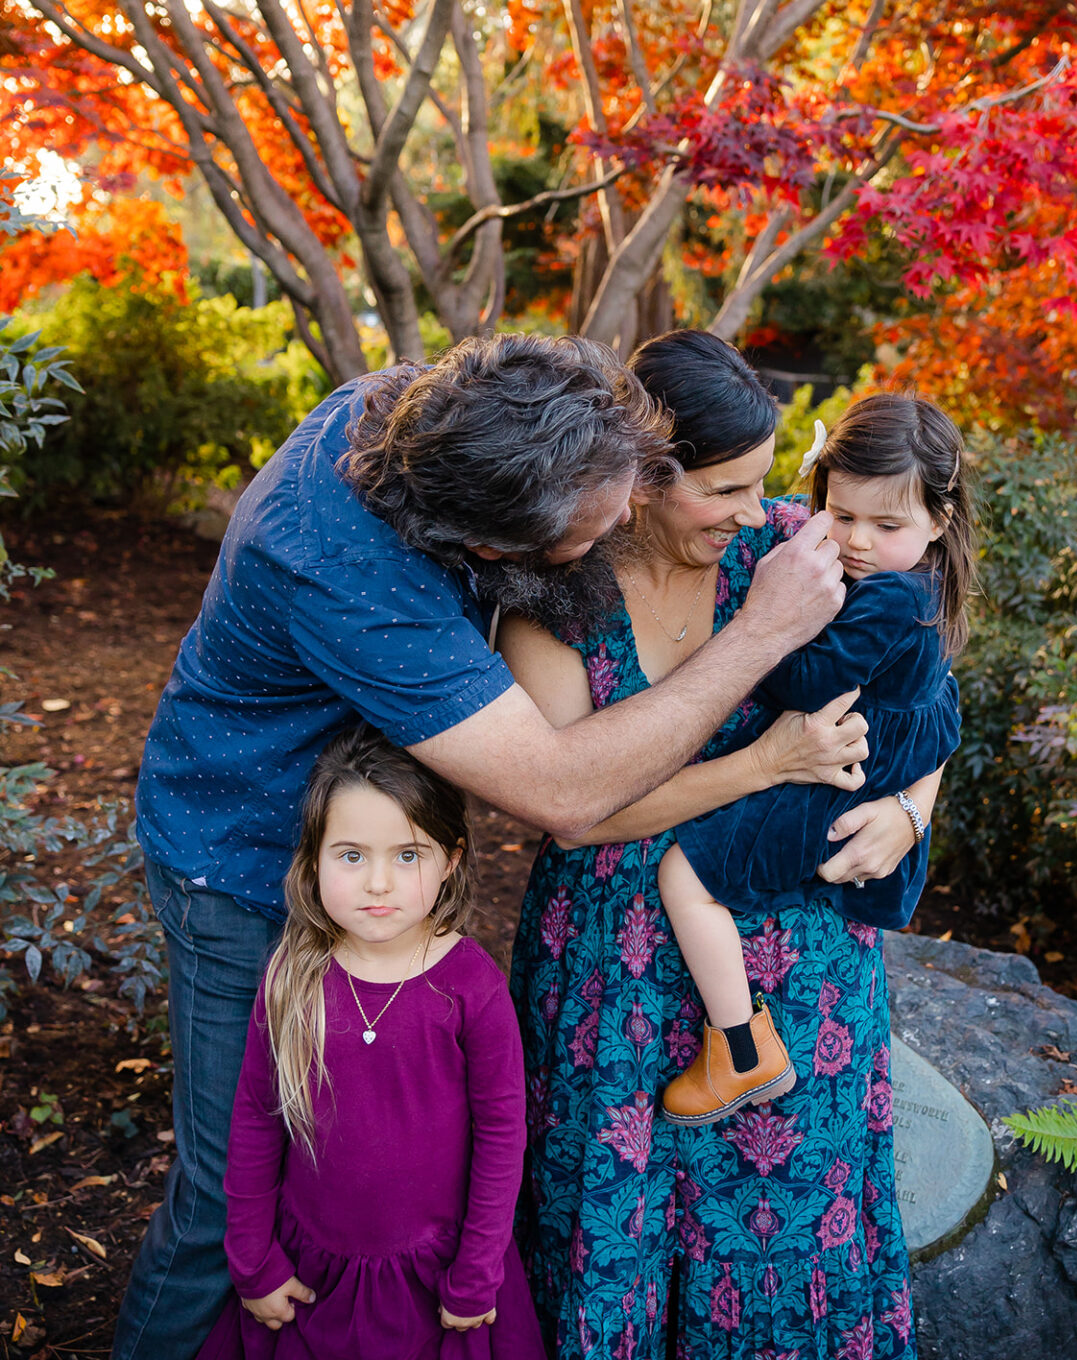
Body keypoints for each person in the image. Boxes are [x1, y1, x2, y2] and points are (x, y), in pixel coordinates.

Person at [115, 334, 848, 1360]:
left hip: (382, 858)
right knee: (223, 1196)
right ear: (494, 551)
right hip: (243, 862)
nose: (621, 524)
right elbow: (561, 793)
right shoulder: (351, 574)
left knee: (365, 1169)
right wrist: (760, 635)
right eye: (595, 529)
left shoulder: (429, 414)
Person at [501, 330, 941, 1360]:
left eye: (761, 486)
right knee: (613, 1243)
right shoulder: (552, 606)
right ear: (638, 480)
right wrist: (765, 763)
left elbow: (926, 686)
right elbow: (574, 809)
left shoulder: (789, 548)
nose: (759, 511)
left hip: (799, 983)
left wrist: (910, 809)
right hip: (611, 982)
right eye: (726, 489)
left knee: (793, 1250)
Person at [658, 393, 976, 1125]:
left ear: (939, 520)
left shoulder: (888, 600)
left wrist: (763, 632)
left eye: (886, 524)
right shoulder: (920, 583)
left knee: (685, 877)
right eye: (843, 513)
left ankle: (740, 1052)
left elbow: (804, 683)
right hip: (871, 767)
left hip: (842, 773)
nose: (857, 540)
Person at [196, 725, 545, 1360]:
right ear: (313, 858)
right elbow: (255, 1119)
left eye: (407, 855)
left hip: (437, 1279)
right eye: (351, 855)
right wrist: (253, 1260)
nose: (377, 883)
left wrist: (475, 1274)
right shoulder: (292, 977)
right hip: (311, 1277)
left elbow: (502, 1136)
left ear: (451, 861)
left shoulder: (471, 987)